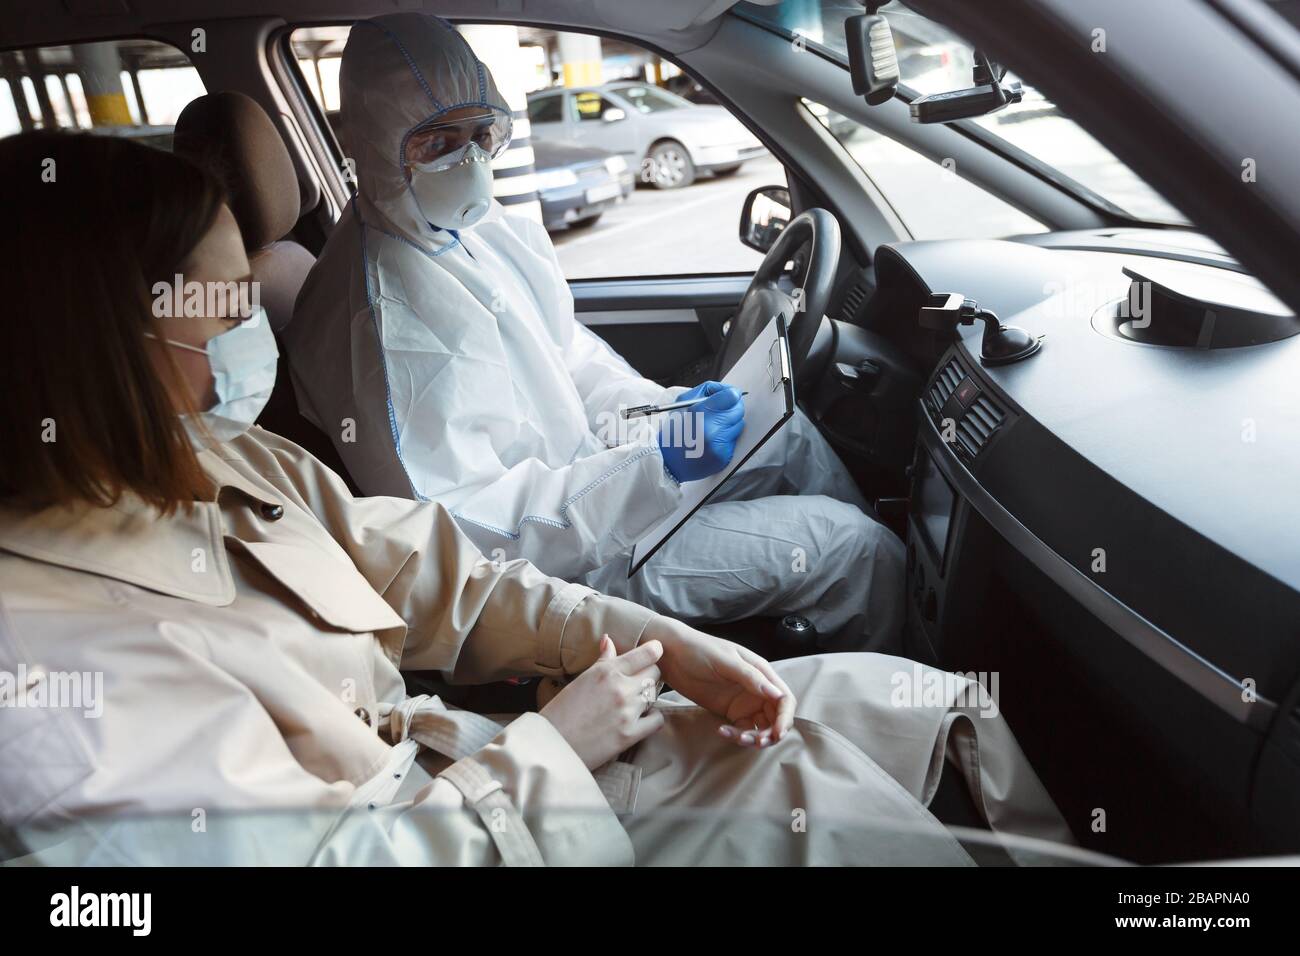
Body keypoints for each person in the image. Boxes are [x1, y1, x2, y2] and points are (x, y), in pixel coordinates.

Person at [0, 131, 1071, 865]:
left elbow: (441, 576)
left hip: (480, 766)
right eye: (221, 302)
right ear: (98, 337)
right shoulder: (43, 668)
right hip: (476, 813)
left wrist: (653, 639)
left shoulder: (226, 458)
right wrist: (556, 745)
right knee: (822, 790)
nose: (249, 327)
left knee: (930, 700)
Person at [285, 13, 904, 652]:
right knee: (855, 549)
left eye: (480, 133)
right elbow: (473, 532)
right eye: (436, 143)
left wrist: (664, 415)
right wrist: (653, 466)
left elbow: (571, 358)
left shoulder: (478, 230)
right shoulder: (377, 323)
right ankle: (903, 706)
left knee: (784, 433)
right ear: (376, 143)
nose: (469, 159)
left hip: (600, 479)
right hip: (565, 576)